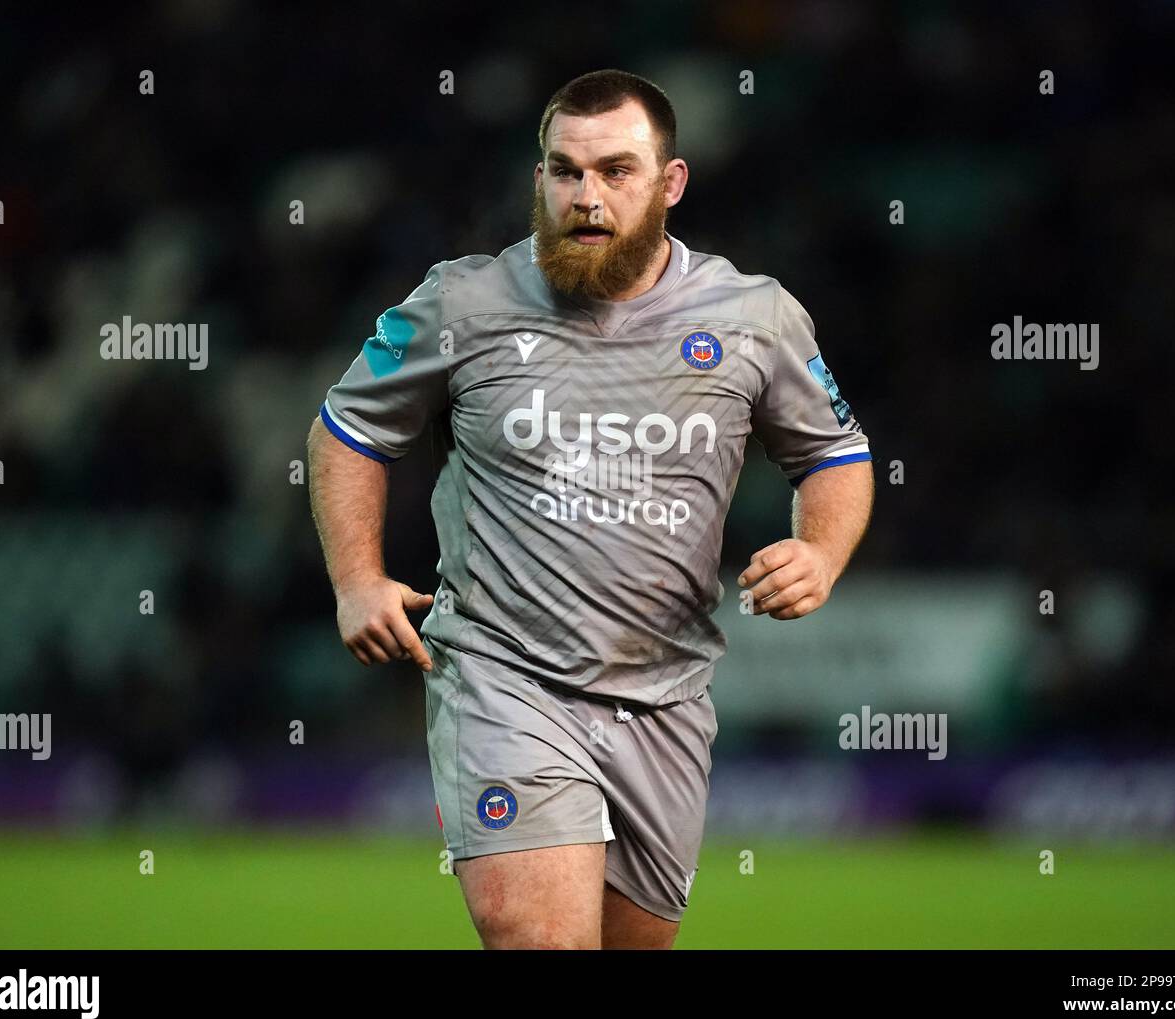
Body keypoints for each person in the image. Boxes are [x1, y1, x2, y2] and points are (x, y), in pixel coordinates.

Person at [307, 69, 874, 949]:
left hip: (666, 695)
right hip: (504, 678)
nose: (587, 195)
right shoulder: (463, 302)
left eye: (617, 171)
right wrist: (357, 579)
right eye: (565, 171)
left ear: (670, 183)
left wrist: (821, 553)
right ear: (538, 180)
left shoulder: (753, 316)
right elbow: (346, 429)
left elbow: (835, 454)